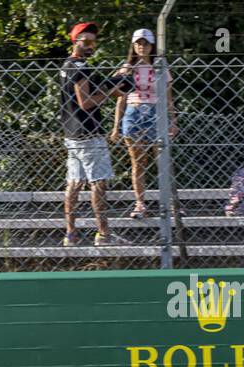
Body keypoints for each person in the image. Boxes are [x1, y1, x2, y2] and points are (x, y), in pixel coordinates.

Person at [60, 21, 133, 247]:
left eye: (94, 41)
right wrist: (113, 91)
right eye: (87, 41)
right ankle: (103, 234)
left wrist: (116, 77)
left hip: (72, 134)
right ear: (76, 41)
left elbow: (91, 87)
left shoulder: (68, 65)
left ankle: (70, 233)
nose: (92, 45)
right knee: (98, 183)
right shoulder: (81, 67)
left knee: (74, 182)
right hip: (89, 135)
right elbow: (86, 102)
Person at [111, 28, 176, 219]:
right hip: (134, 112)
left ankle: (171, 203)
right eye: (138, 43)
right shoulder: (127, 68)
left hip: (156, 113)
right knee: (138, 163)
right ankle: (140, 204)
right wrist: (116, 126)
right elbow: (120, 98)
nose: (142, 47)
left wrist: (173, 120)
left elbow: (169, 96)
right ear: (133, 45)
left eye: (145, 43)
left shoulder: (160, 66)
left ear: (152, 45)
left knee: (163, 160)